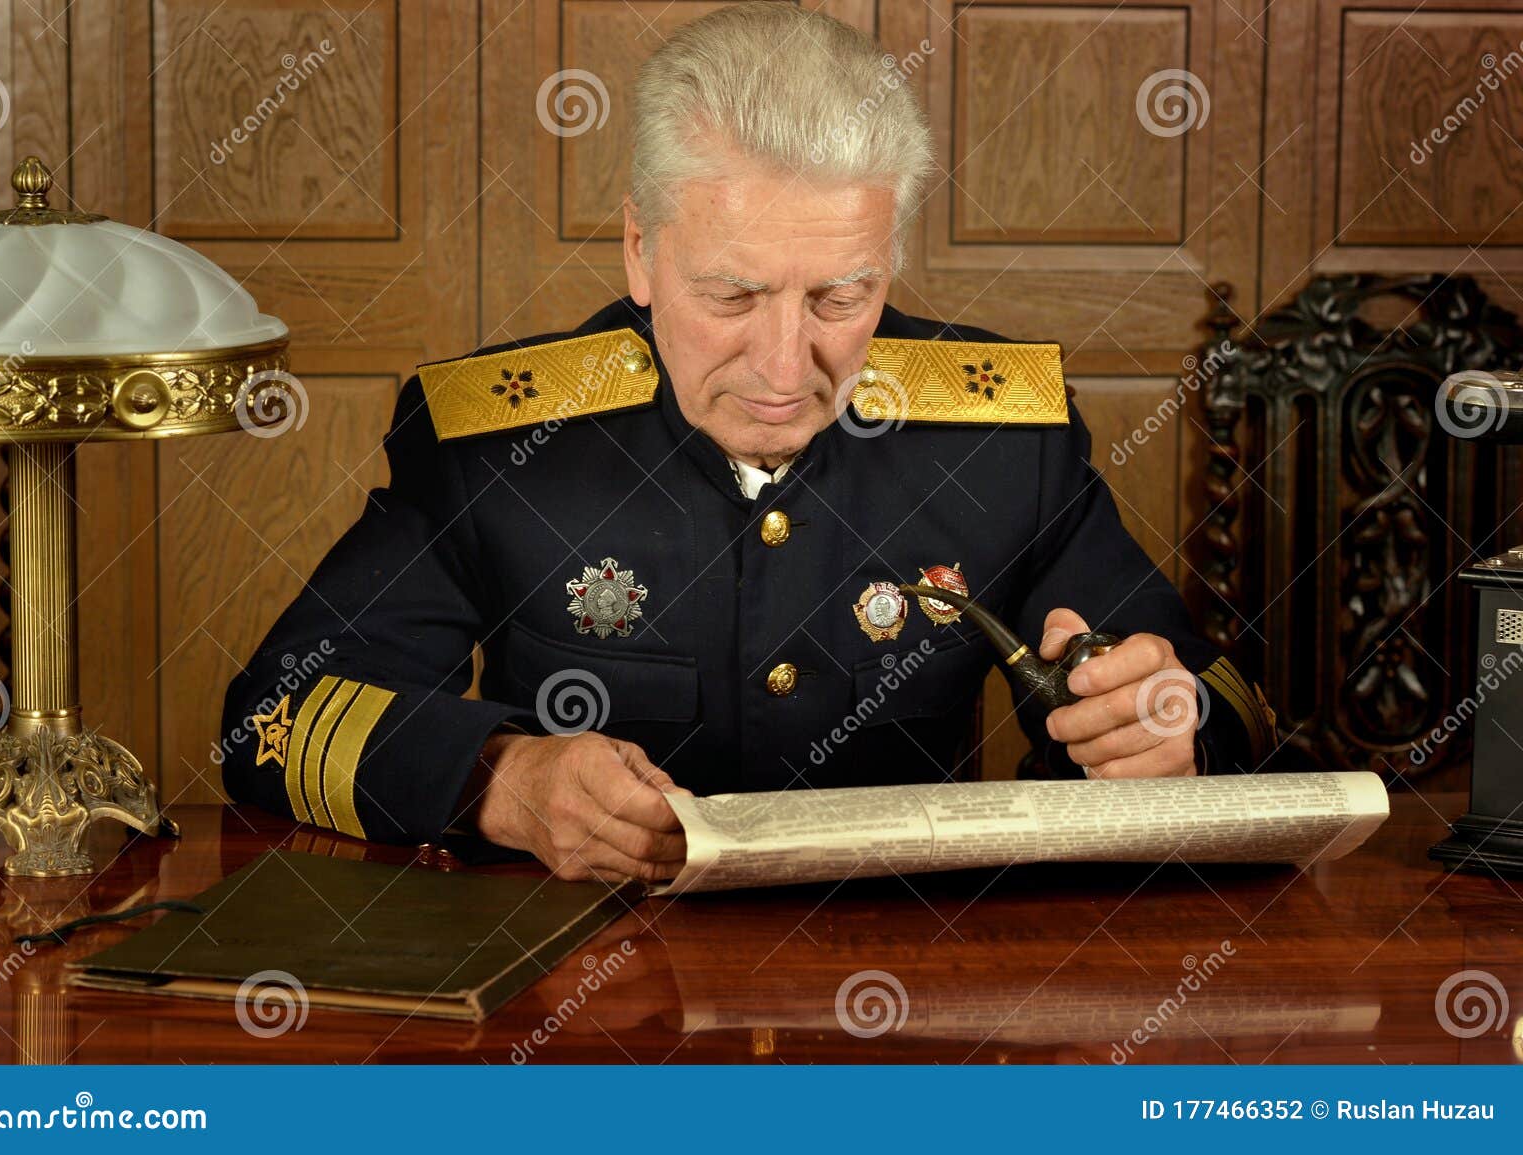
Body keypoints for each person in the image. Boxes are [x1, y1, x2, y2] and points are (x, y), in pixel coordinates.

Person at [220, 2, 1277, 883]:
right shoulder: (500, 441)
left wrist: (1164, 728)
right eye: (732, 294)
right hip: (586, 1010)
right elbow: (274, 717)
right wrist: (500, 779)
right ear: (641, 249)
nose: (784, 366)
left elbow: (1222, 707)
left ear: (887, 258)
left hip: (919, 996)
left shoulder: (1003, 436)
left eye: (840, 296)